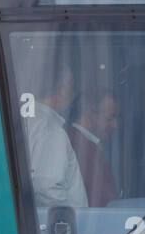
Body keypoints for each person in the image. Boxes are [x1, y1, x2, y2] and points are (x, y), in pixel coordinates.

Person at [21, 64, 88, 210]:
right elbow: (48, 188)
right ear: (63, 91)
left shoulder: (26, 120)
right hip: (62, 228)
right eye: (71, 87)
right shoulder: (50, 130)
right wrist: (66, 223)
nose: (73, 94)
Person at [67, 88, 121, 207]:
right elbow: (102, 201)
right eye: (110, 118)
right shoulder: (81, 148)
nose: (115, 126)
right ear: (89, 114)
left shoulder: (76, 141)